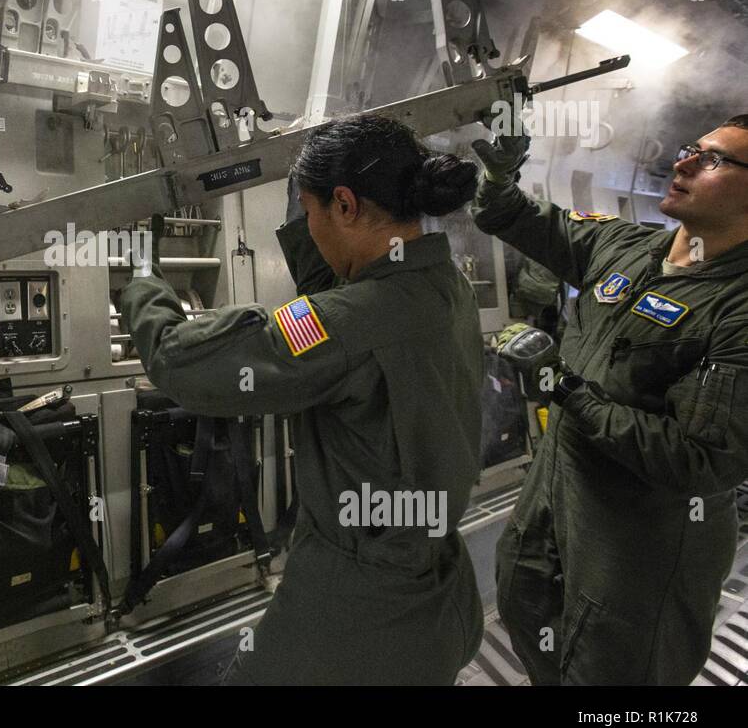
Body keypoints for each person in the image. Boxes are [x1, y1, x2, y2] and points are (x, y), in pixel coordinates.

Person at [121, 114, 486, 684]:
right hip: (437, 593)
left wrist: (142, 276)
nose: (310, 225)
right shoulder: (445, 287)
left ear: (344, 204)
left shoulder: (352, 323)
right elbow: (342, 298)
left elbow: (178, 361)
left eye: (312, 211)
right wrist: (302, 174)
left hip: (357, 607)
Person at [471, 116, 748, 684]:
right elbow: (508, 215)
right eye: (691, 149)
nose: (684, 162)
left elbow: (701, 460)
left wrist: (566, 388)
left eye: (715, 160)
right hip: (554, 500)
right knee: (528, 611)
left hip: (639, 545)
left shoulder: (737, 308)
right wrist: (499, 177)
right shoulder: (622, 244)